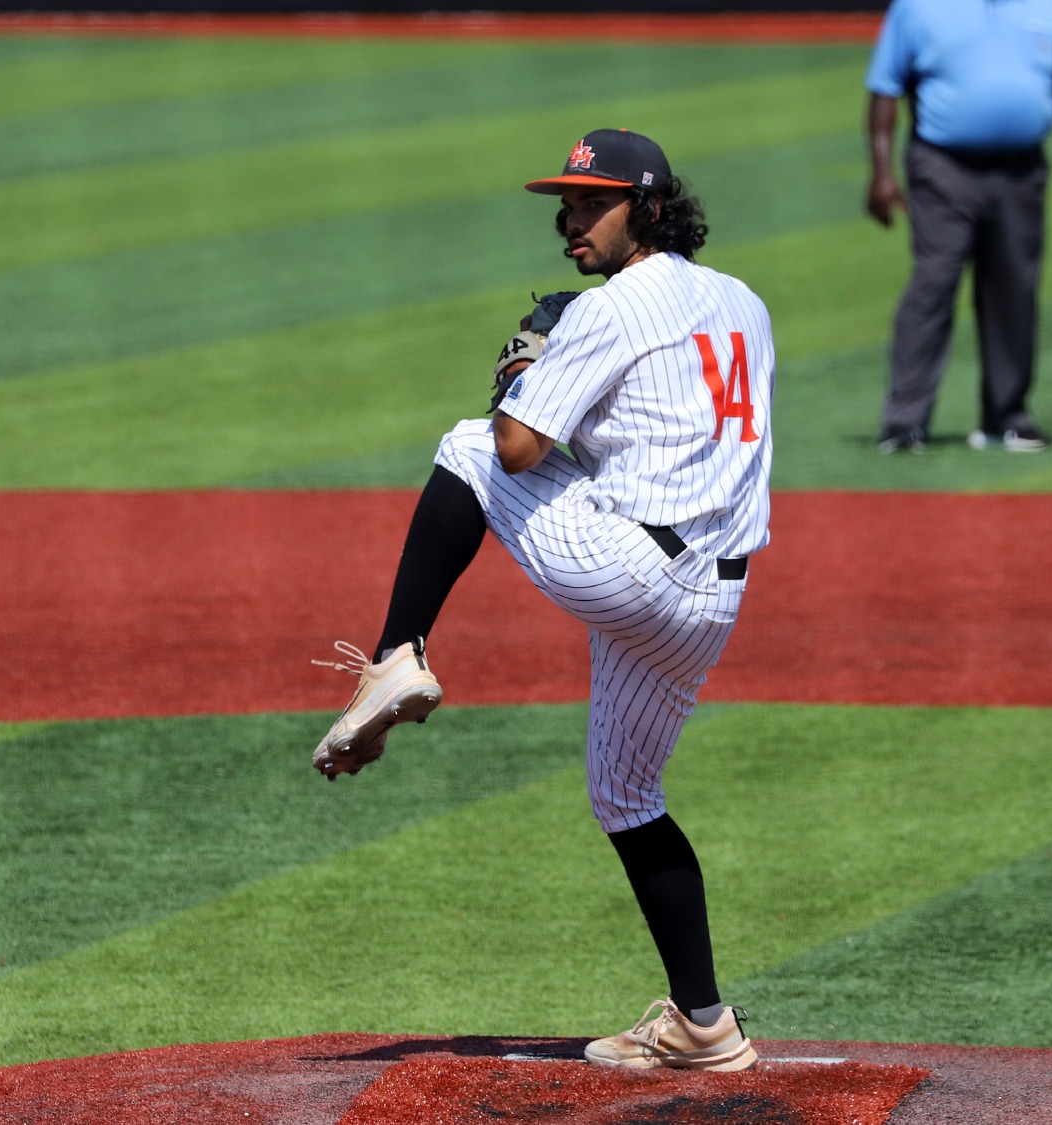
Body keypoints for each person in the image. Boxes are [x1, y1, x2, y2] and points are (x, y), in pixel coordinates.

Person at [309, 128, 772, 1072]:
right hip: (712, 602)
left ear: (645, 206)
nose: (568, 221)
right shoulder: (743, 302)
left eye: (588, 203)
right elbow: (664, 425)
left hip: (635, 572)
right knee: (626, 793)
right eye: (562, 204)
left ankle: (398, 653)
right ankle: (705, 1025)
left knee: (468, 447)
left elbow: (518, 449)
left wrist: (523, 371)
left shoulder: (614, 307)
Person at [865, 0, 1052, 454]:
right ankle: (904, 422)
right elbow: (884, 89)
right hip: (942, 166)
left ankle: (1007, 417)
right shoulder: (916, 8)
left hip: (1023, 169)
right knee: (934, 283)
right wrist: (882, 173)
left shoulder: (1046, 7)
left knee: (1014, 288)